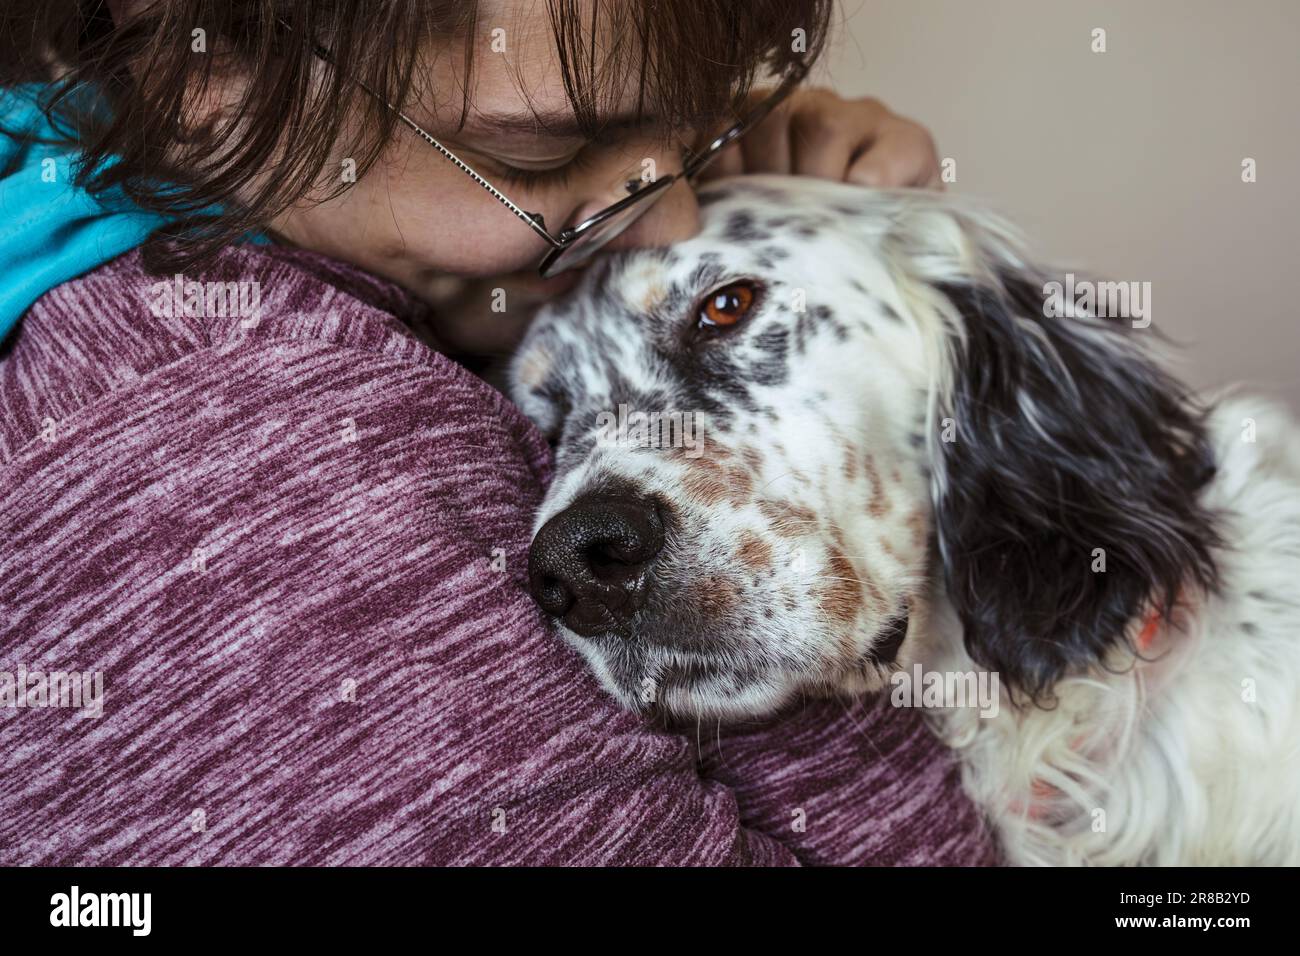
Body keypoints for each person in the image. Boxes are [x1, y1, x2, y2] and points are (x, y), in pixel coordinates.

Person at [0, 0, 996, 865]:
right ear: (204, 66)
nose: (671, 217)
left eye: (701, 125)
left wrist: (824, 228)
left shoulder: (137, 241)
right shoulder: (244, 452)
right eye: (546, 149)